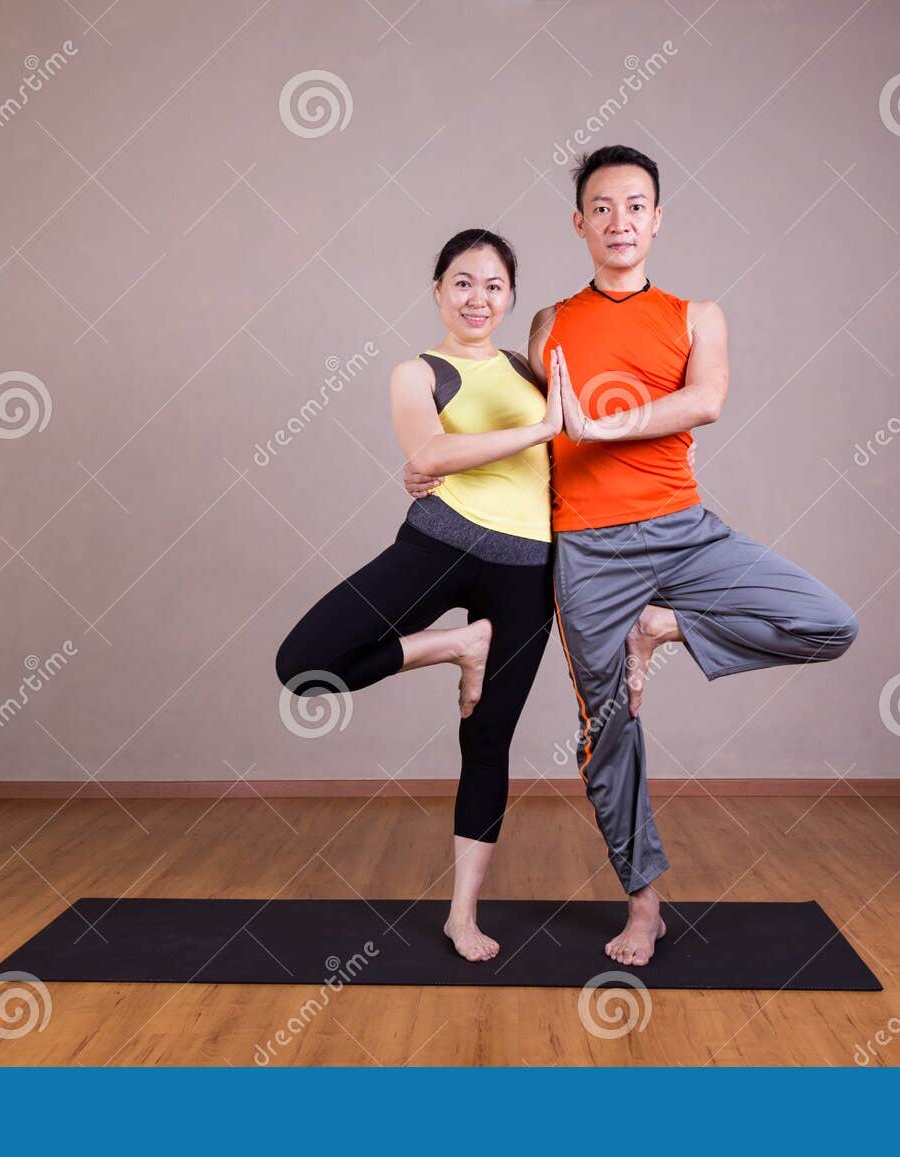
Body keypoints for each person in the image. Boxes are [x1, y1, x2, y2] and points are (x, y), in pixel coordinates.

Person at [407, 146, 860, 967]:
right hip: (588, 551)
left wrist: (604, 425)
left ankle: (664, 627)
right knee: (608, 736)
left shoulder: (698, 315)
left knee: (828, 621)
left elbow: (706, 399)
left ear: (659, 219)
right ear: (580, 223)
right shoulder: (548, 323)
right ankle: (643, 903)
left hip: (684, 529)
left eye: (636, 205)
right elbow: (509, 421)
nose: (621, 221)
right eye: (603, 208)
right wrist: (430, 461)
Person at [276, 229, 560, 963]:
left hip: (526, 568)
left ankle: (462, 914)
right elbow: (428, 453)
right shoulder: (417, 371)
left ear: (511, 298)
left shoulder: (533, 372)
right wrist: (540, 425)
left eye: (494, 285)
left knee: (486, 738)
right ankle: (451, 646)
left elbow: (573, 464)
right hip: (438, 545)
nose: (478, 298)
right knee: (305, 662)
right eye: (462, 282)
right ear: (438, 290)